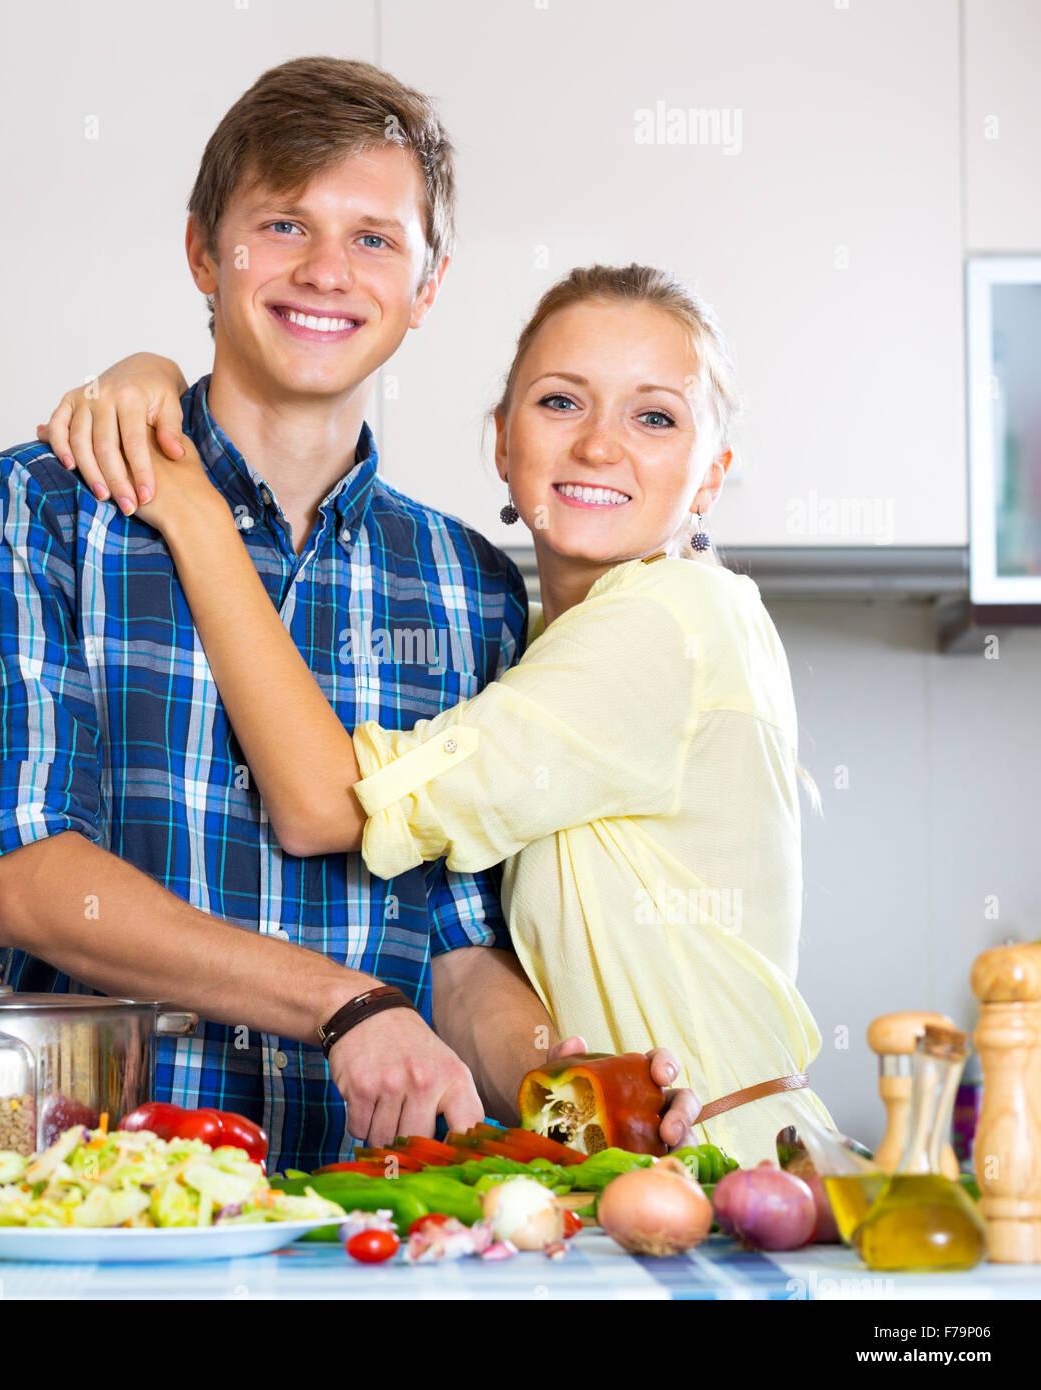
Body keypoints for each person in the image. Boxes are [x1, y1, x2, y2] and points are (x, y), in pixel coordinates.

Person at [0, 56, 698, 1171]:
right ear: (204, 249)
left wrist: (567, 1084)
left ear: (428, 287)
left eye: (376, 238)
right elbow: (30, 882)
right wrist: (342, 1004)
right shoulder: (47, 508)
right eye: (284, 226)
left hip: (376, 1218)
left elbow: (455, 945)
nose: (327, 272)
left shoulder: (469, 582)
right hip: (104, 1201)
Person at [41, 262, 835, 1165]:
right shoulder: (531, 642)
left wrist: (197, 516)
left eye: (655, 417)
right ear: (502, 444)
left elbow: (325, 805)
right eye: (561, 402)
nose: (601, 446)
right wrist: (149, 374)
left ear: (711, 479)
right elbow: (461, 938)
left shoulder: (672, 622)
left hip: (722, 1165)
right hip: (632, 1156)